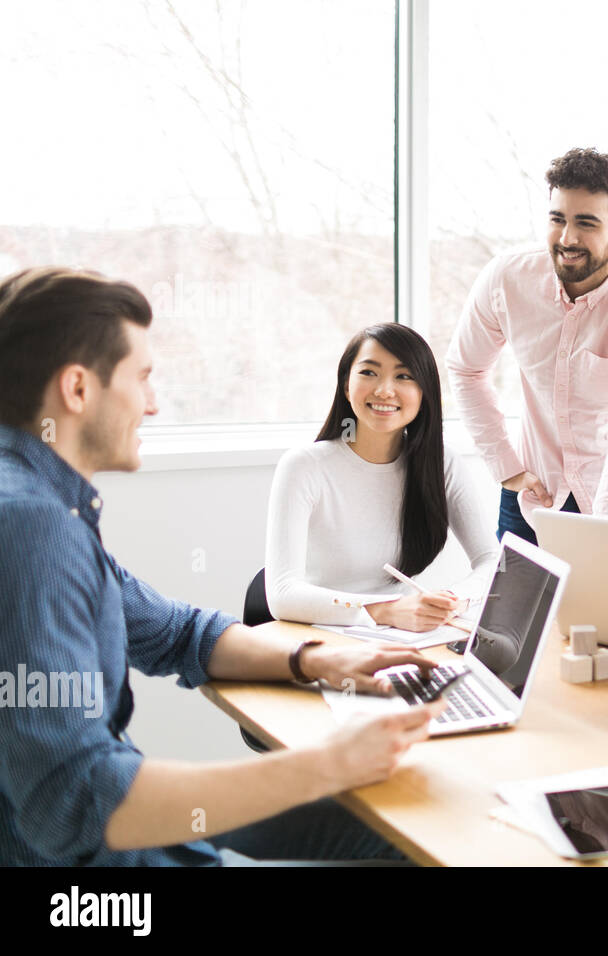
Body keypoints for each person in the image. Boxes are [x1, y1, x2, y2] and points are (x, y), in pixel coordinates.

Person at [0, 267, 444, 865]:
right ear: (78, 389)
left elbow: (176, 632)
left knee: (396, 831)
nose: (153, 405)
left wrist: (320, 658)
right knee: (416, 838)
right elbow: (76, 802)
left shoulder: (44, 500)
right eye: (143, 378)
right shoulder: (32, 528)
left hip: (125, 833)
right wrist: (329, 764)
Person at [446, 147, 608, 545]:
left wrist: (606, 534)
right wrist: (505, 467)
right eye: (558, 219)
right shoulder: (508, 278)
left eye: (587, 223)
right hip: (534, 487)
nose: (568, 238)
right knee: (519, 607)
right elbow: (466, 368)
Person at [265, 323, 497, 630]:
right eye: (369, 373)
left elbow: (493, 560)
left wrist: (455, 599)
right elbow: (283, 595)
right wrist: (385, 610)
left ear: (424, 391)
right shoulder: (304, 466)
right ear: (346, 385)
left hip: (401, 637)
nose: (385, 390)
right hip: (321, 637)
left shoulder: (442, 464)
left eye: (404, 376)